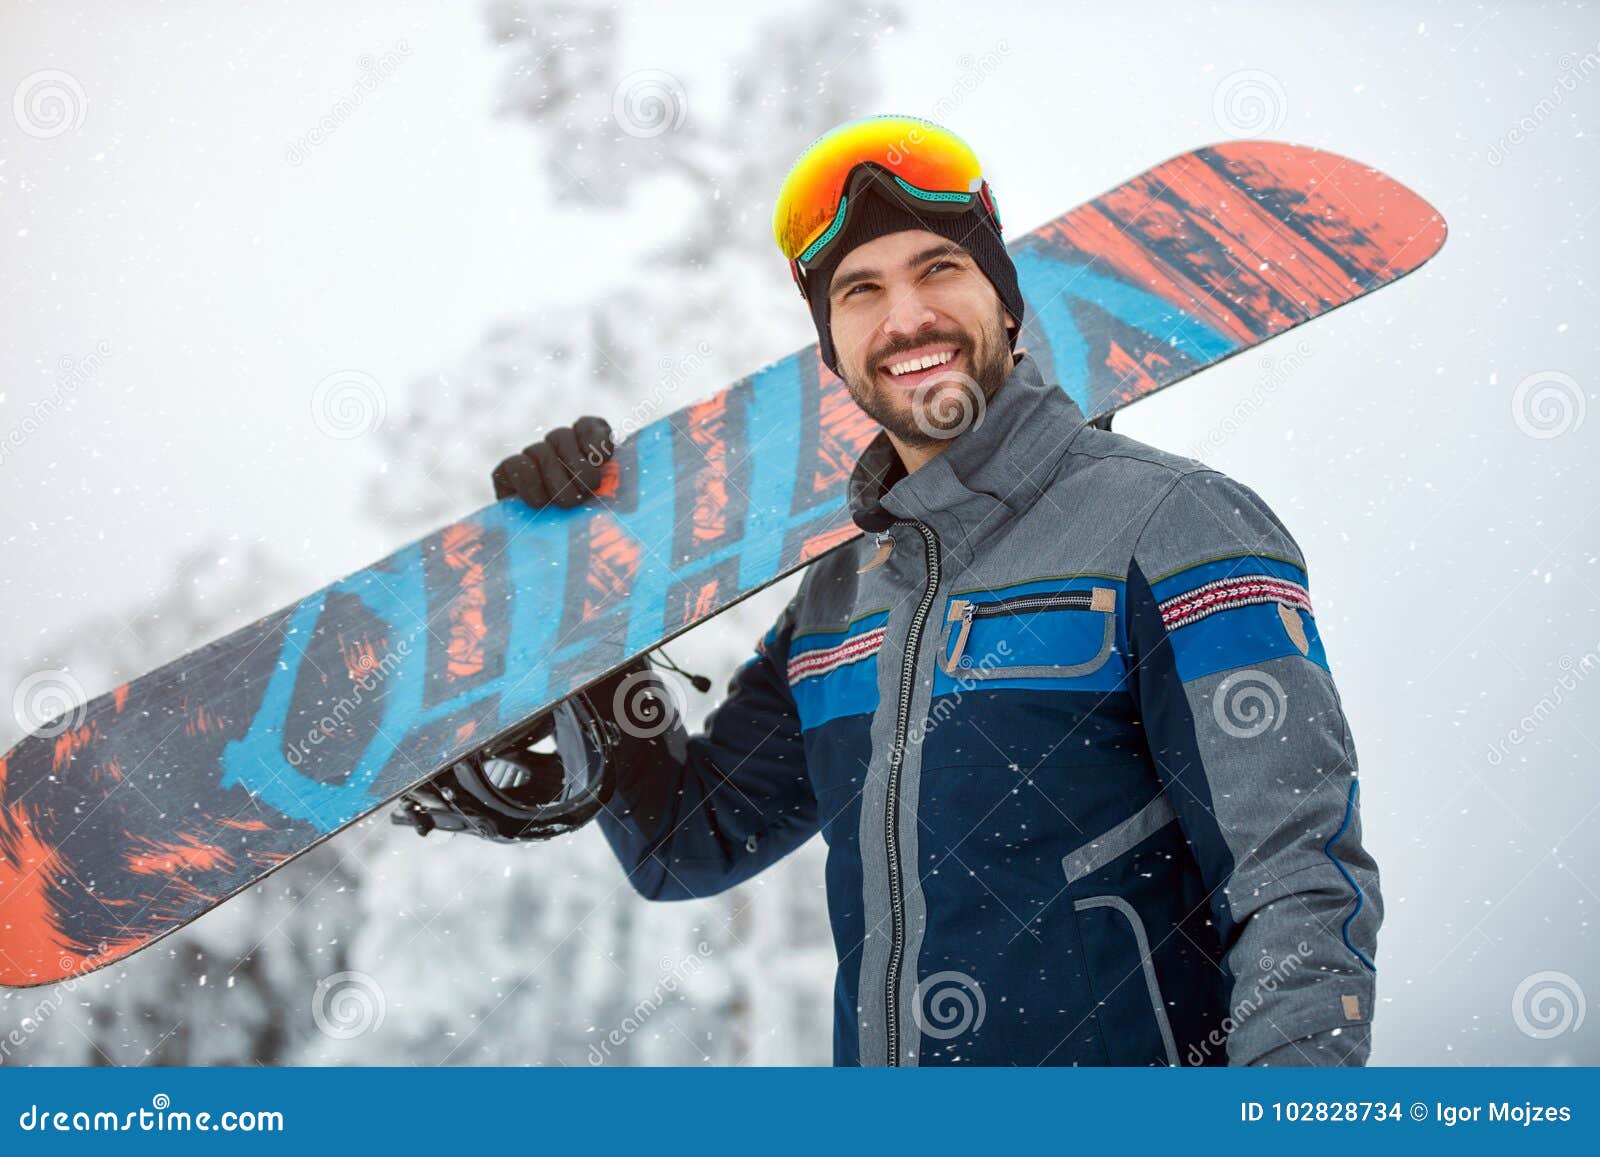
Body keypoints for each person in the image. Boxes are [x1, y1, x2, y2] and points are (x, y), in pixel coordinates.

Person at [416, 115, 1384, 1067]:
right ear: (833, 353)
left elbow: (1296, 876)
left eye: (938, 269)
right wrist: (590, 603)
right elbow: (688, 838)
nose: (904, 316)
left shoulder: (1180, 526)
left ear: (1006, 304)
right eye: (861, 291)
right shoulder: (842, 593)